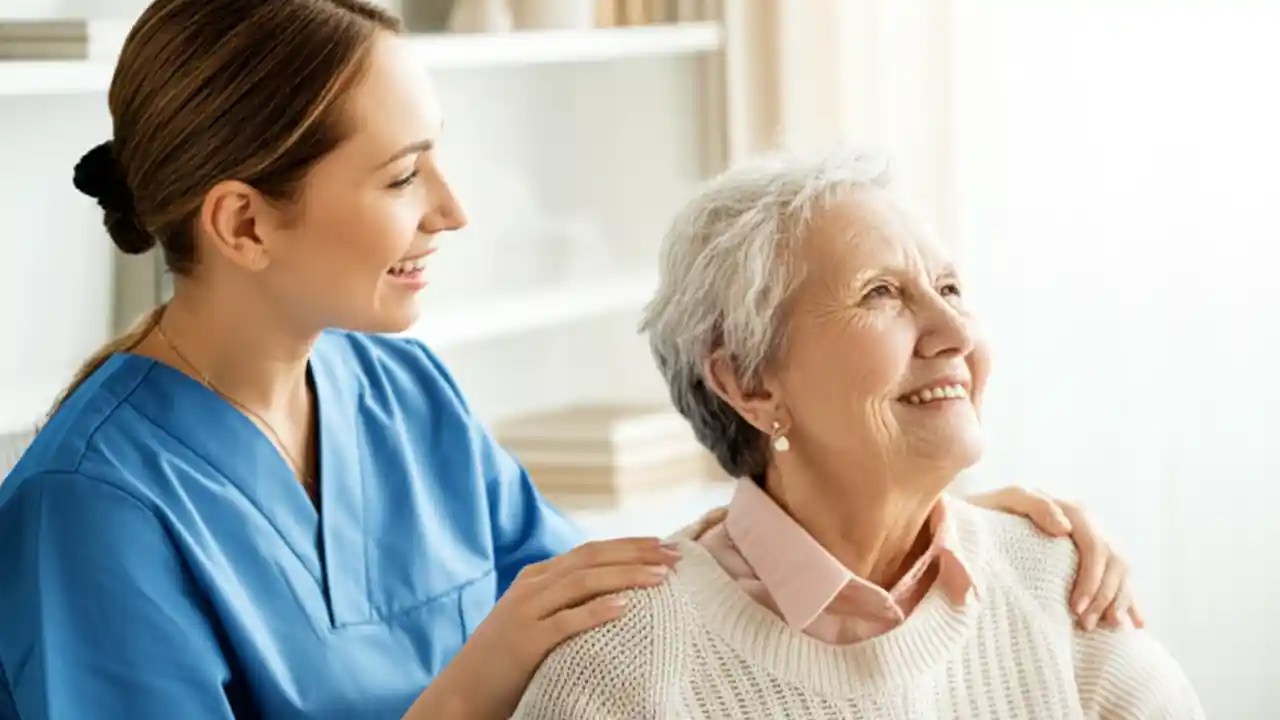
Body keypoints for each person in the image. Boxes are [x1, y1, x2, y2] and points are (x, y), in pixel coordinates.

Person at [0, 2, 1140, 719]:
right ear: (244, 225)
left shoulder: (401, 392)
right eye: (402, 177)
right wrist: (463, 697)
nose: (449, 209)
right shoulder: (87, 513)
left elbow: (607, 590)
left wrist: (915, 523)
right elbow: (521, 645)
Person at [512, 150, 1205, 719]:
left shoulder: (1056, 579)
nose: (956, 333)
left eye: (951, 289)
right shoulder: (622, 665)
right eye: (882, 294)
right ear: (750, 383)